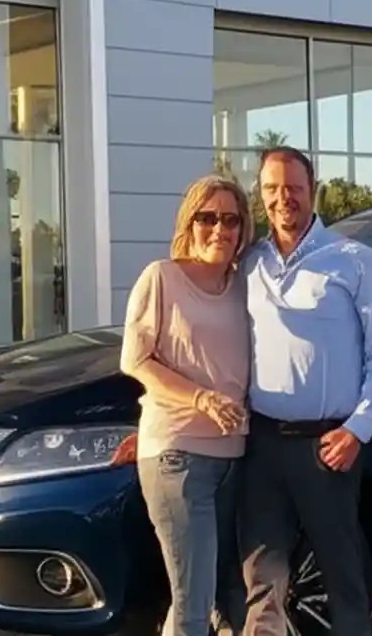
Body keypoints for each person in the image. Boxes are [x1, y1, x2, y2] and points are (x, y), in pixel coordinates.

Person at [237, 146, 372, 635]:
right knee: (261, 575)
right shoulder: (249, 262)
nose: (282, 198)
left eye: (293, 187)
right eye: (271, 188)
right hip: (262, 444)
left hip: (327, 446)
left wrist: (357, 430)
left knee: (343, 575)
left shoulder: (355, 261)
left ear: (314, 191)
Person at [119, 174, 254, 636]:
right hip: (178, 458)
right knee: (193, 603)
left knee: (223, 597)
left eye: (231, 219)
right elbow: (135, 359)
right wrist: (200, 397)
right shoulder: (162, 278)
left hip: (236, 458)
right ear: (189, 222)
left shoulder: (245, 285)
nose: (220, 229)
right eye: (208, 217)